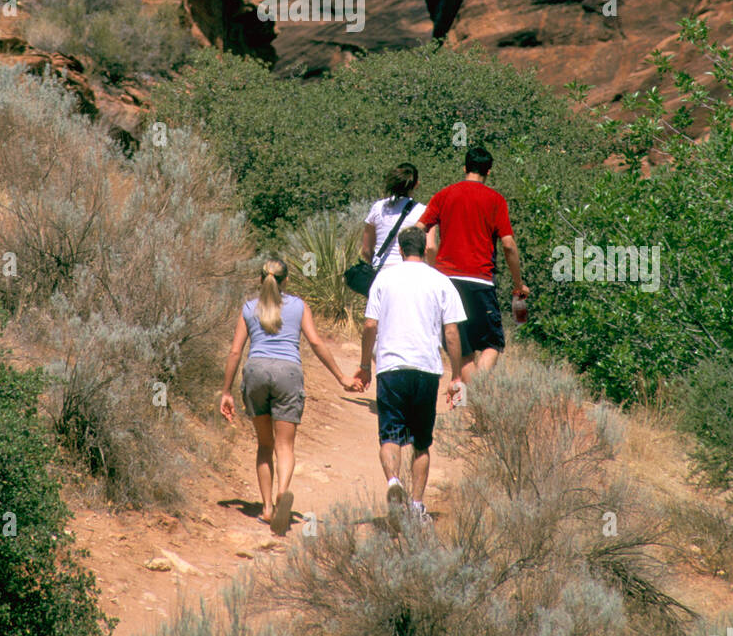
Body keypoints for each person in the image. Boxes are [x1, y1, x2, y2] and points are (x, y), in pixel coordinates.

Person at [220, 258, 361, 536]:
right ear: (286, 281)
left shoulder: (249, 308)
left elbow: (236, 351)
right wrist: (342, 377)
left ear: (261, 281)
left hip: (256, 372)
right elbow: (317, 342)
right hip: (288, 373)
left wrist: (226, 391)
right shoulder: (298, 306)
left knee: (264, 446)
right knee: (285, 446)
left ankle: (268, 509)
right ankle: (284, 492)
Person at [353, 225, 465, 525]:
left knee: (390, 435)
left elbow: (369, 326)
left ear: (400, 250)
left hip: (391, 367)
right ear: (428, 250)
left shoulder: (385, 278)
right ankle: (416, 505)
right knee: (421, 442)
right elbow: (452, 333)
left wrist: (365, 365)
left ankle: (392, 482)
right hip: (427, 369)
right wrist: (456, 376)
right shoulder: (441, 281)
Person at [420, 145, 529, 388]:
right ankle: (478, 393)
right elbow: (509, 246)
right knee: (494, 343)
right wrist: (517, 283)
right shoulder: (496, 200)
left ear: (464, 168)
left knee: (464, 349)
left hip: (446, 282)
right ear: (489, 172)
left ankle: (467, 405)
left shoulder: (444, 194)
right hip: (480, 281)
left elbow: (419, 229)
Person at [360, 162, 427, 276]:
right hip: (409, 272)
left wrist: (376, 264)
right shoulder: (422, 211)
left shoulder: (378, 207)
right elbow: (429, 247)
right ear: (416, 184)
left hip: (380, 272)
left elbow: (366, 250)